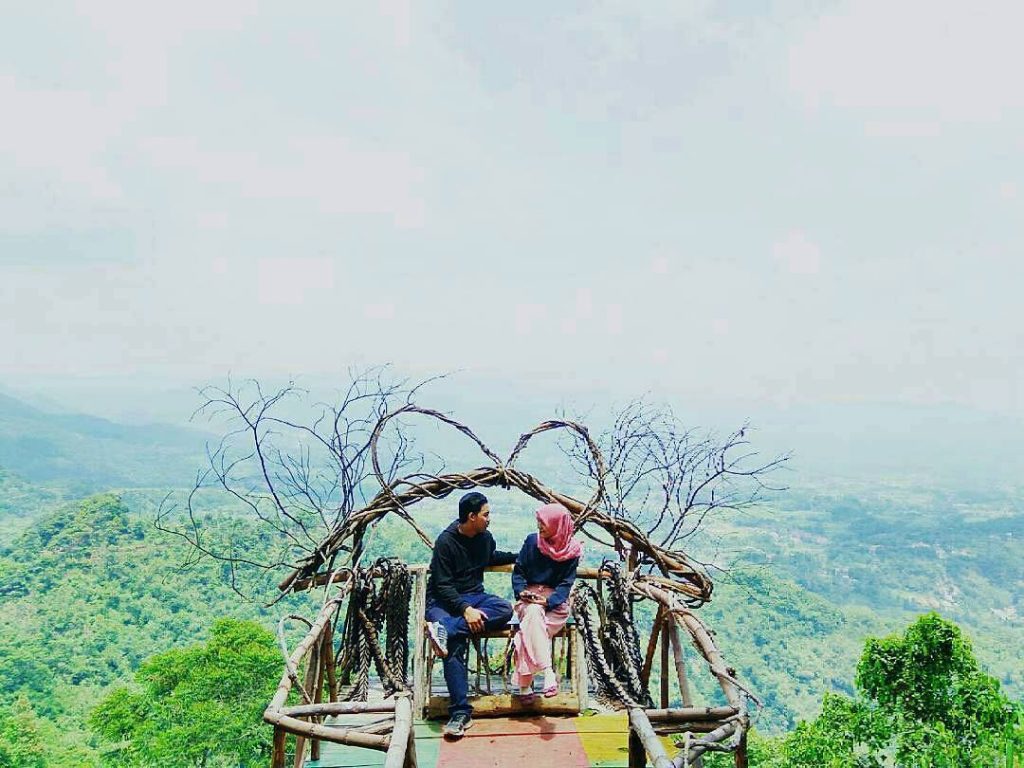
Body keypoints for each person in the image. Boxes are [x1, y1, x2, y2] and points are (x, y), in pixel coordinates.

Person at [425, 491, 516, 738]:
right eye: (486, 514)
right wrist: (465, 610)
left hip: (474, 597)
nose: (489, 518)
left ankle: (446, 629)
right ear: (472, 516)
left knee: (504, 609)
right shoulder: (445, 542)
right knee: (453, 644)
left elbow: (491, 557)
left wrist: (524, 557)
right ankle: (459, 713)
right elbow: (443, 585)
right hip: (443, 601)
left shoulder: (485, 538)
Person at [510, 502, 582, 702]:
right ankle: (548, 672)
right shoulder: (532, 542)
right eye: (538, 521)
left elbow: (566, 584)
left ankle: (525, 685)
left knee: (528, 628)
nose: (539, 526)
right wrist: (522, 592)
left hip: (555, 605)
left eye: (543, 522)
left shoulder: (572, 550)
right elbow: (519, 572)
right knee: (533, 612)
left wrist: (548, 601)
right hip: (529, 599)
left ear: (557, 524)